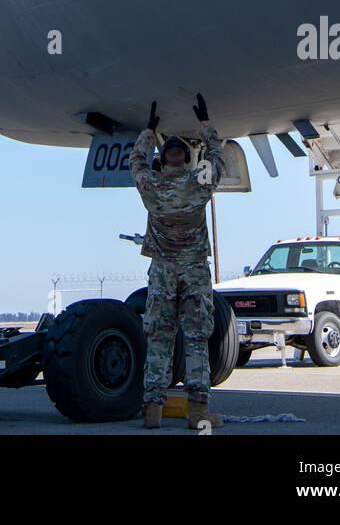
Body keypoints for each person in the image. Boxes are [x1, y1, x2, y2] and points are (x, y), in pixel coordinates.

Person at [128, 92, 225, 430]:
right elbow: (217, 160)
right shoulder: (197, 184)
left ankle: (153, 407)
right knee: (196, 338)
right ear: (185, 158)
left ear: (164, 159)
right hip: (194, 269)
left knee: (159, 337)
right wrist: (206, 124)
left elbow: (135, 162)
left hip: (163, 270)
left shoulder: (151, 186)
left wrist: (148, 130)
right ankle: (198, 409)